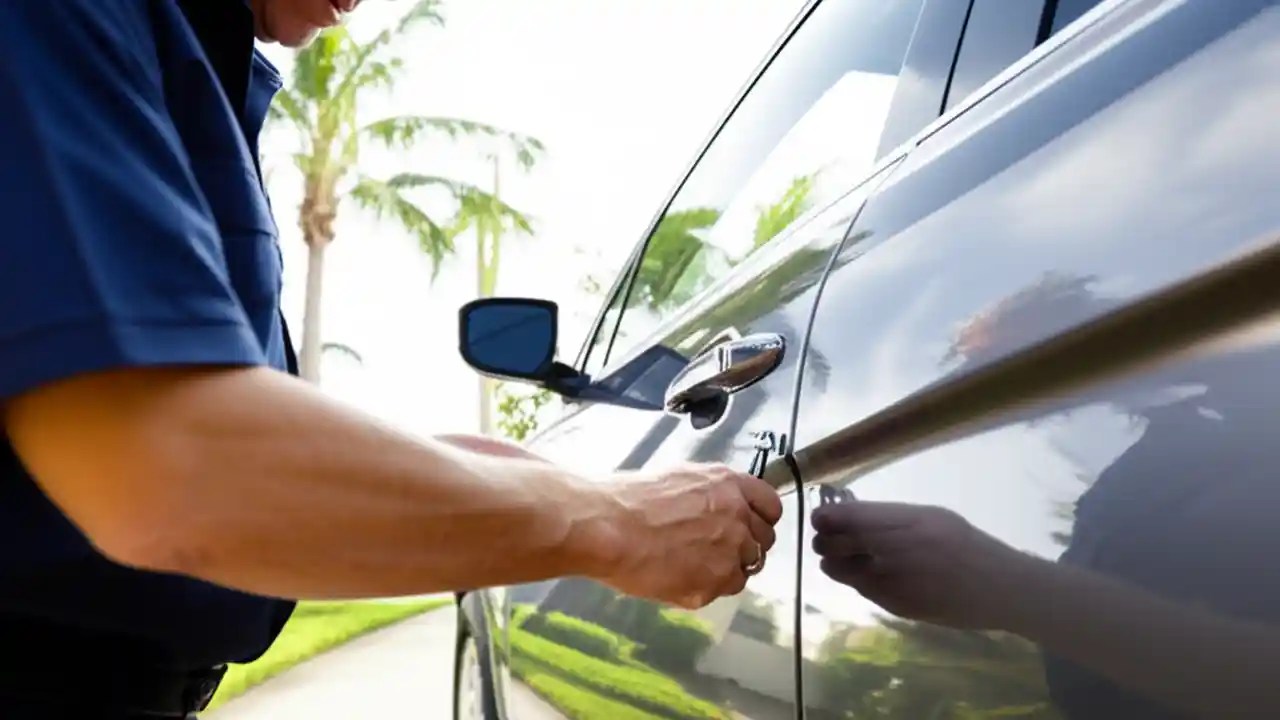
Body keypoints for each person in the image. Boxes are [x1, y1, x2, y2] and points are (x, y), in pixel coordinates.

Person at [0, 2, 781, 717]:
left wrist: (578, 486)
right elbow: (170, 463)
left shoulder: (181, 63)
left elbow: (248, 446)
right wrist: (616, 526)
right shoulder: (64, 21)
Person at [811, 275, 1280, 718]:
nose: (983, 388)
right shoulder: (1123, 492)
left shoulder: (1241, 423)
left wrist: (1009, 587)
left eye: (998, 362)